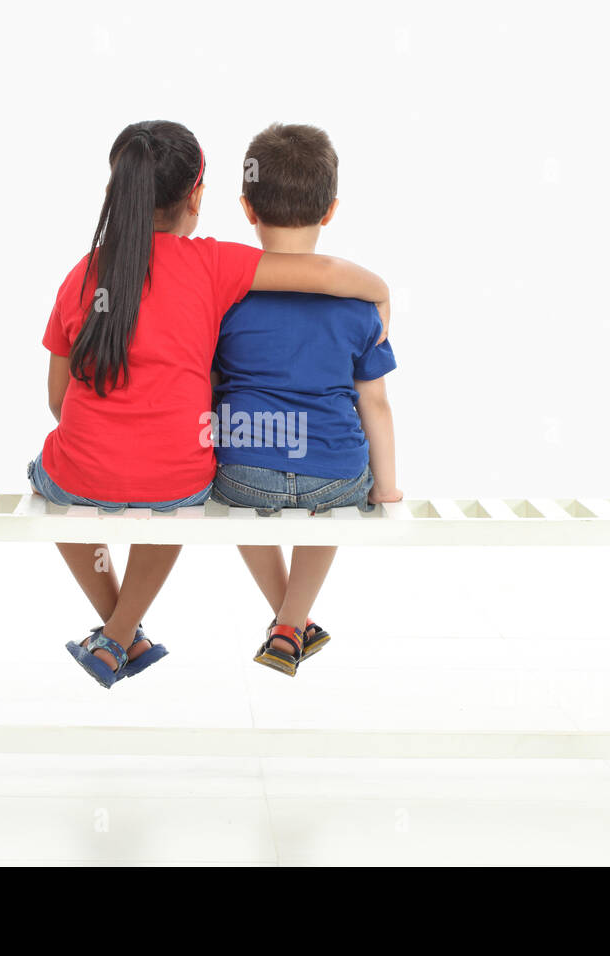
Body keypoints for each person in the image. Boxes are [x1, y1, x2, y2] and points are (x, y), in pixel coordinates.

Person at [31, 119, 391, 688]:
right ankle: (130, 632)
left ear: (114, 191)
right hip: (181, 476)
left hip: (85, 469)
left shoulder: (80, 277)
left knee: (50, 488)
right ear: (197, 195)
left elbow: (57, 401)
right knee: (175, 500)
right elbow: (320, 273)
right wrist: (383, 292)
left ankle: (119, 632)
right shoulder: (213, 264)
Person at [210, 123, 401, 676]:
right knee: (334, 508)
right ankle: (291, 623)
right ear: (331, 210)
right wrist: (385, 487)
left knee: (245, 502)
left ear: (247, 208)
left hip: (244, 469)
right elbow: (377, 405)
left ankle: (287, 623)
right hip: (335, 475)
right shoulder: (360, 305)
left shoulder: (226, 297)